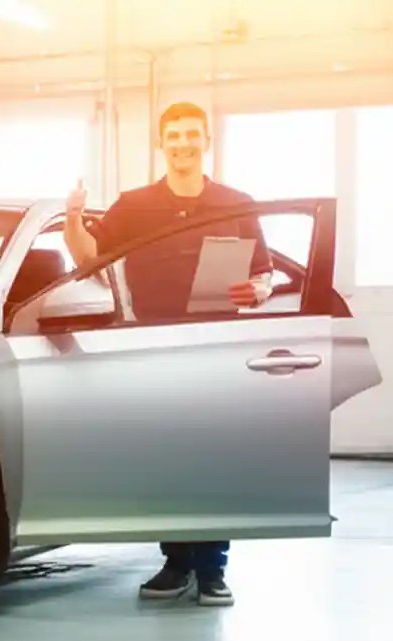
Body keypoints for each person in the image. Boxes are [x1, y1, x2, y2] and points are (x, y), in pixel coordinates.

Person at [63, 101, 274, 606]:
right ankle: (176, 563)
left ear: (206, 140)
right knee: (167, 455)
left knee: (214, 458)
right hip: (155, 343)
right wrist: (72, 216)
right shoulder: (134, 205)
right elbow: (88, 258)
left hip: (217, 345)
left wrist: (257, 291)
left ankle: (213, 569)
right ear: (162, 143)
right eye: (174, 135)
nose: (183, 143)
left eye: (191, 134)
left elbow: (264, 273)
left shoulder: (236, 203)